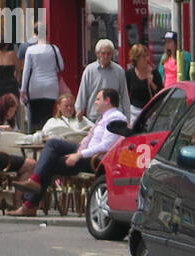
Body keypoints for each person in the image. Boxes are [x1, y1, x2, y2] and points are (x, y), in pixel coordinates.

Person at [9, 88, 125, 216]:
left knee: (48, 163)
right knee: (52, 145)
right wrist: (79, 151)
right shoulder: (103, 118)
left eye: (98, 99)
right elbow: (88, 139)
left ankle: (30, 201)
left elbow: (106, 146)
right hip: (86, 153)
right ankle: (33, 190)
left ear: (107, 101)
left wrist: (78, 155)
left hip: (96, 160)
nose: (95, 102)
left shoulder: (116, 118)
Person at [19, 30, 65, 128]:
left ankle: (36, 137)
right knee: (48, 116)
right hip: (51, 86)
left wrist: (23, 90)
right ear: (46, 34)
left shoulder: (30, 50)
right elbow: (61, 66)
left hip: (35, 86)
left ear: (35, 34)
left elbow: (26, 71)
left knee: (34, 116)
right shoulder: (54, 49)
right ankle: (46, 137)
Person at [76, 38, 130, 120]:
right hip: (94, 116)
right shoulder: (89, 70)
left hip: (114, 116)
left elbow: (124, 95)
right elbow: (83, 92)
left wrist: (127, 117)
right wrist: (79, 109)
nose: (106, 56)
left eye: (109, 54)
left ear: (112, 54)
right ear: (97, 54)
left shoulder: (119, 71)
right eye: (103, 53)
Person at [125, 43, 162, 112]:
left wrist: (152, 83)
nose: (147, 59)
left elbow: (160, 92)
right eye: (144, 57)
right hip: (134, 111)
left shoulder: (154, 72)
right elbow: (125, 92)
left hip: (150, 110)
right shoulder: (129, 73)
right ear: (136, 58)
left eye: (147, 56)